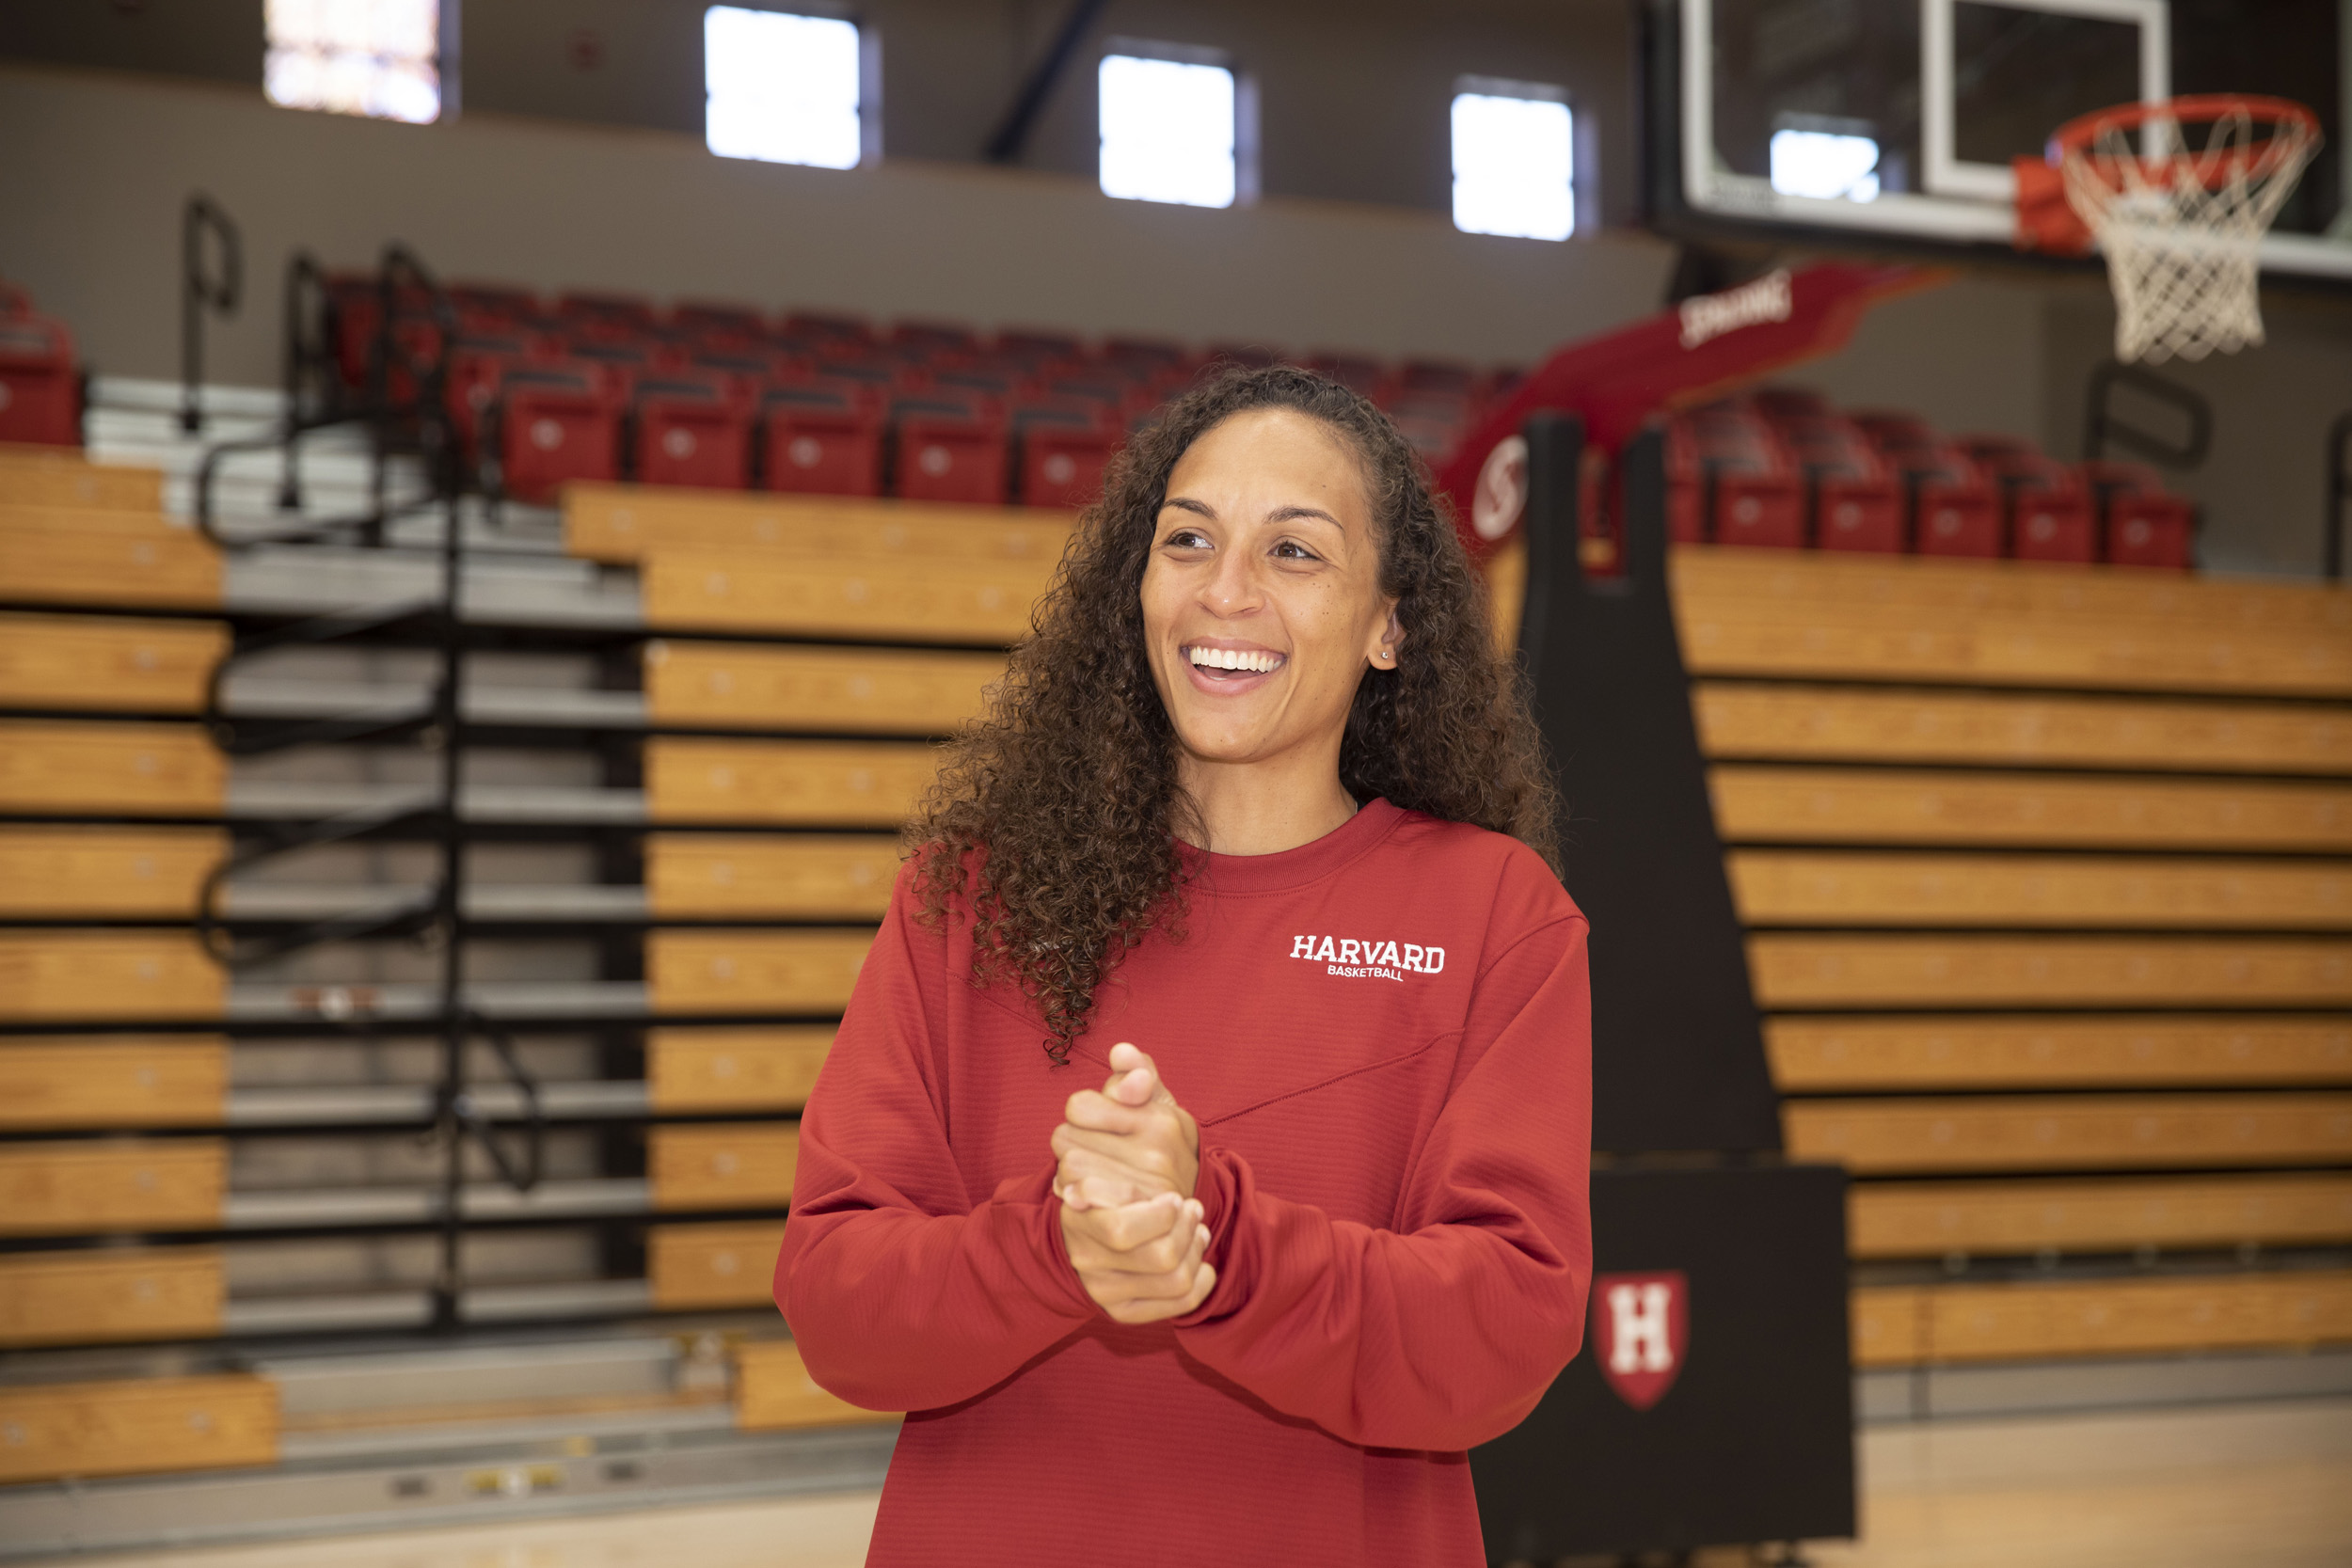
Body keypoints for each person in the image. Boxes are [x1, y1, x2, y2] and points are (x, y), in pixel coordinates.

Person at [776, 364, 1593, 1566]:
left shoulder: (1492, 912)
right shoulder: (970, 897)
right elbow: (836, 1304)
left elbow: (1502, 1334)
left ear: (1389, 623)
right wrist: (1059, 1245)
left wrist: (1216, 1237)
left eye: (1293, 551)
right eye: (1188, 540)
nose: (1225, 590)